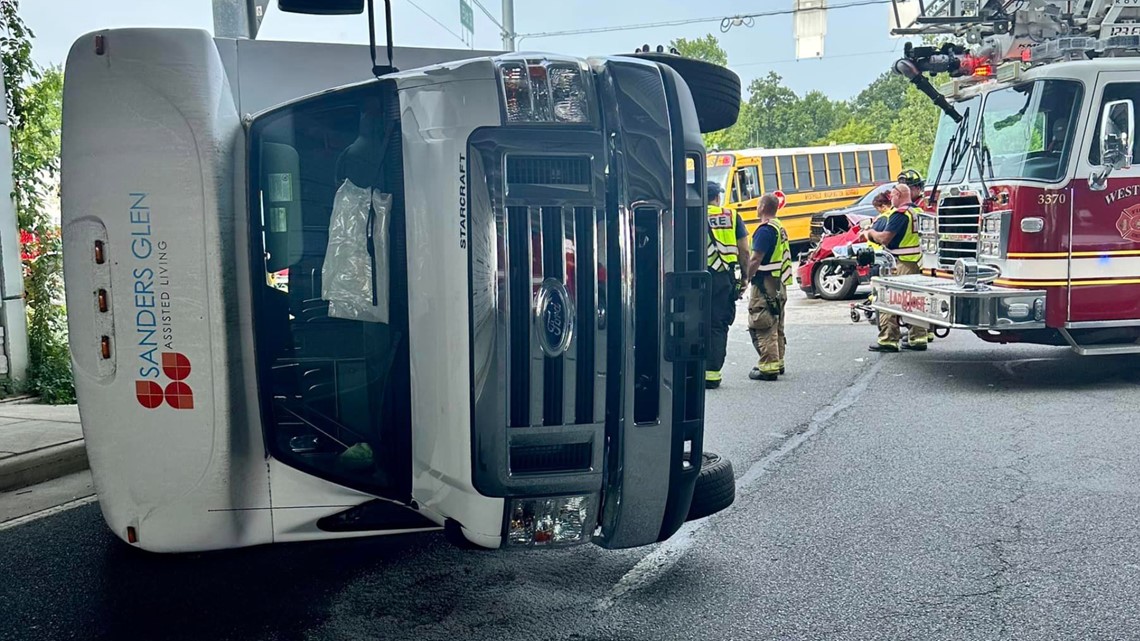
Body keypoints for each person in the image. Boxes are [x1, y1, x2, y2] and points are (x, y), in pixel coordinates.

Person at [861, 182, 928, 352]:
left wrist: (869, 233)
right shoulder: (918, 212)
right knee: (915, 302)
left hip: (900, 264)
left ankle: (888, 339)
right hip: (918, 263)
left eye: (892, 196)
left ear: (898, 195)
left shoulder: (900, 214)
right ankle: (918, 338)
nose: (890, 199)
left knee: (888, 300)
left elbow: (885, 238)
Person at [705, 180, 750, 389]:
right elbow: (745, 250)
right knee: (718, 324)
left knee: (694, 322)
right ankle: (712, 374)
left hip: (696, 277)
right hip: (724, 277)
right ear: (716, 197)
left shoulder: (693, 213)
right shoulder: (732, 216)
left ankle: (693, 371)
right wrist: (745, 277)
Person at [746, 194, 791, 381]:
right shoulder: (779, 227)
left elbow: (756, 258)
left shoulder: (765, 230)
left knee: (762, 322)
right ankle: (778, 361)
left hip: (765, 283)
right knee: (776, 323)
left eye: (758, 204)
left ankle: (768, 366)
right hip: (779, 282)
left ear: (763, 206)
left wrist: (745, 278)